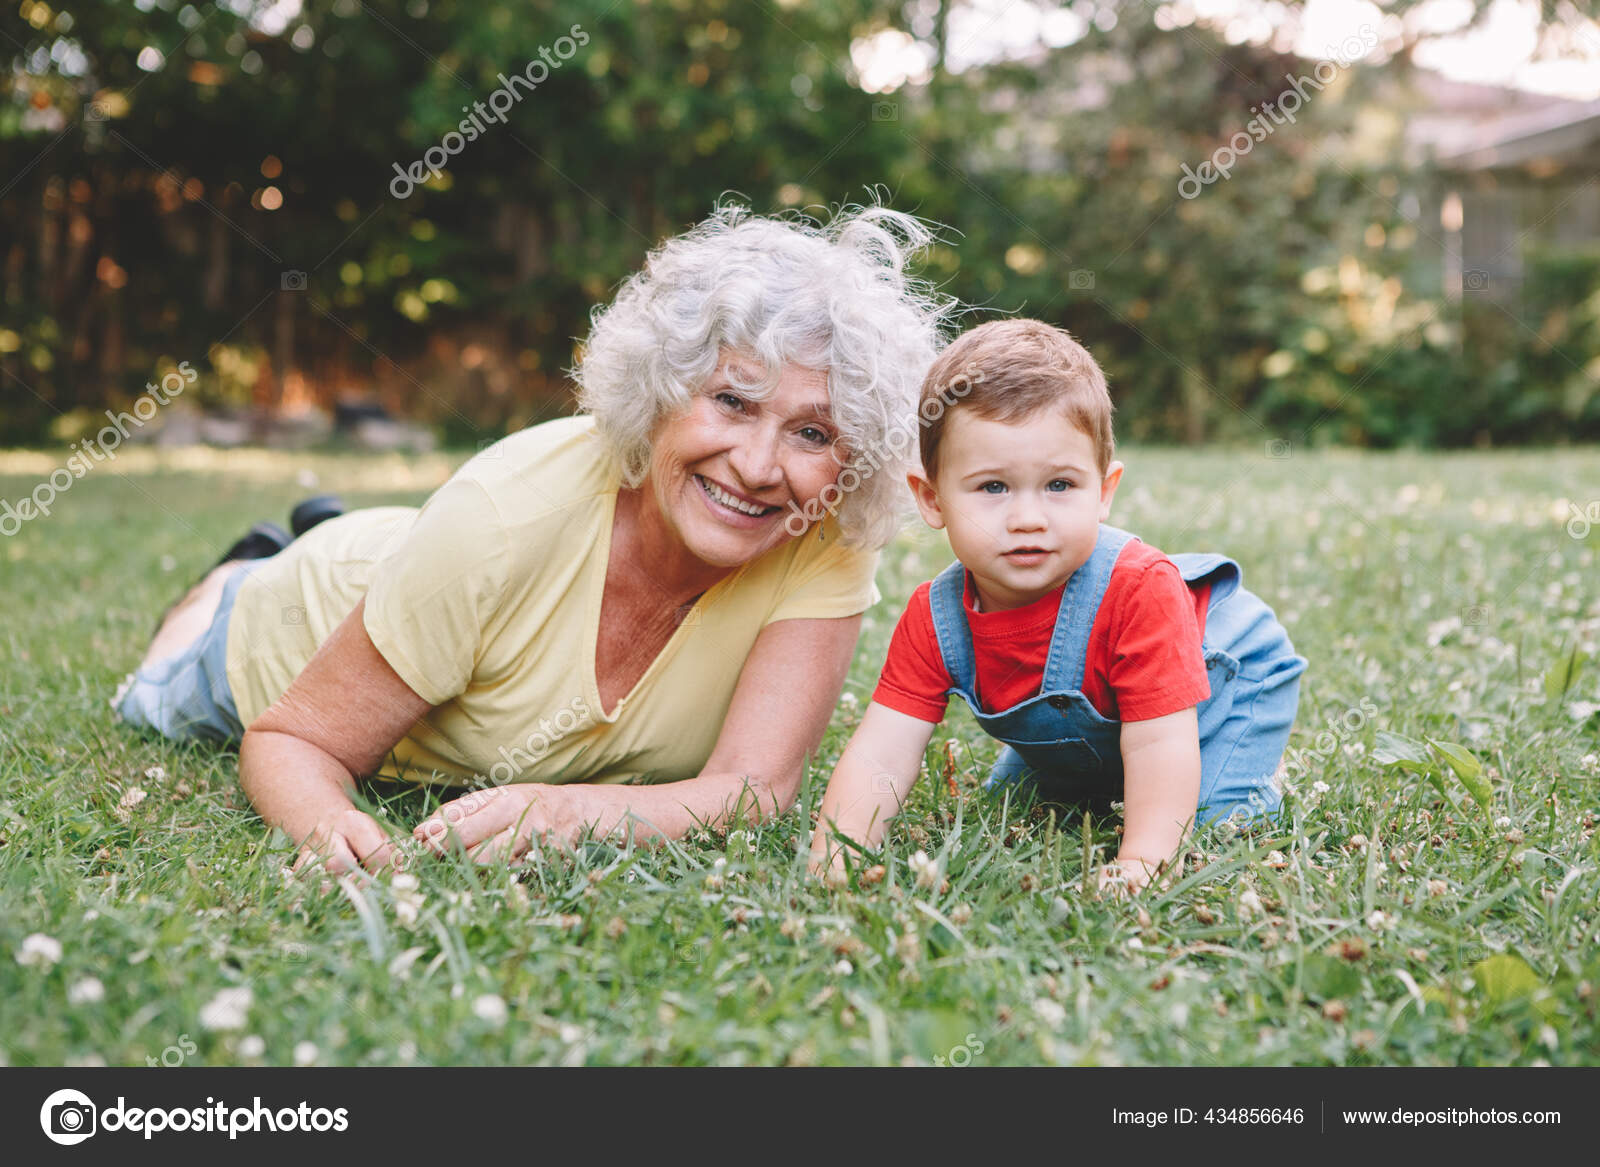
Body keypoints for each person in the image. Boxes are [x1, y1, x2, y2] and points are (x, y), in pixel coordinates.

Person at [113, 203, 952, 875]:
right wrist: (333, 828)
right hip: (294, 617)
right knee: (157, 687)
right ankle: (234, 575)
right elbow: (291, 738)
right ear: (662, 390)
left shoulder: (824, 530)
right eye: (731, 401)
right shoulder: (504, 515)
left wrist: (569, 809)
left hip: (429, 571)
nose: (761, 466)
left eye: (812, 433)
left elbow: (753, 787)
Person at [808, 319, 1306, 892]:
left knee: (1212, 816)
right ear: (932, 498)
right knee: (1015, 805)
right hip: (1119, 720)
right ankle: (1107, 774)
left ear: (1104, 491)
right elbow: (882, 752)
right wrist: (836, 854)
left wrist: (1142, 863)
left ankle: (1250, 763)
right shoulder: (936, 618)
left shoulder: (1140, 590)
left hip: (1227, 690)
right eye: (993, 487)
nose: (1028, 518)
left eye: (1060, 485)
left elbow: (1160, 741)